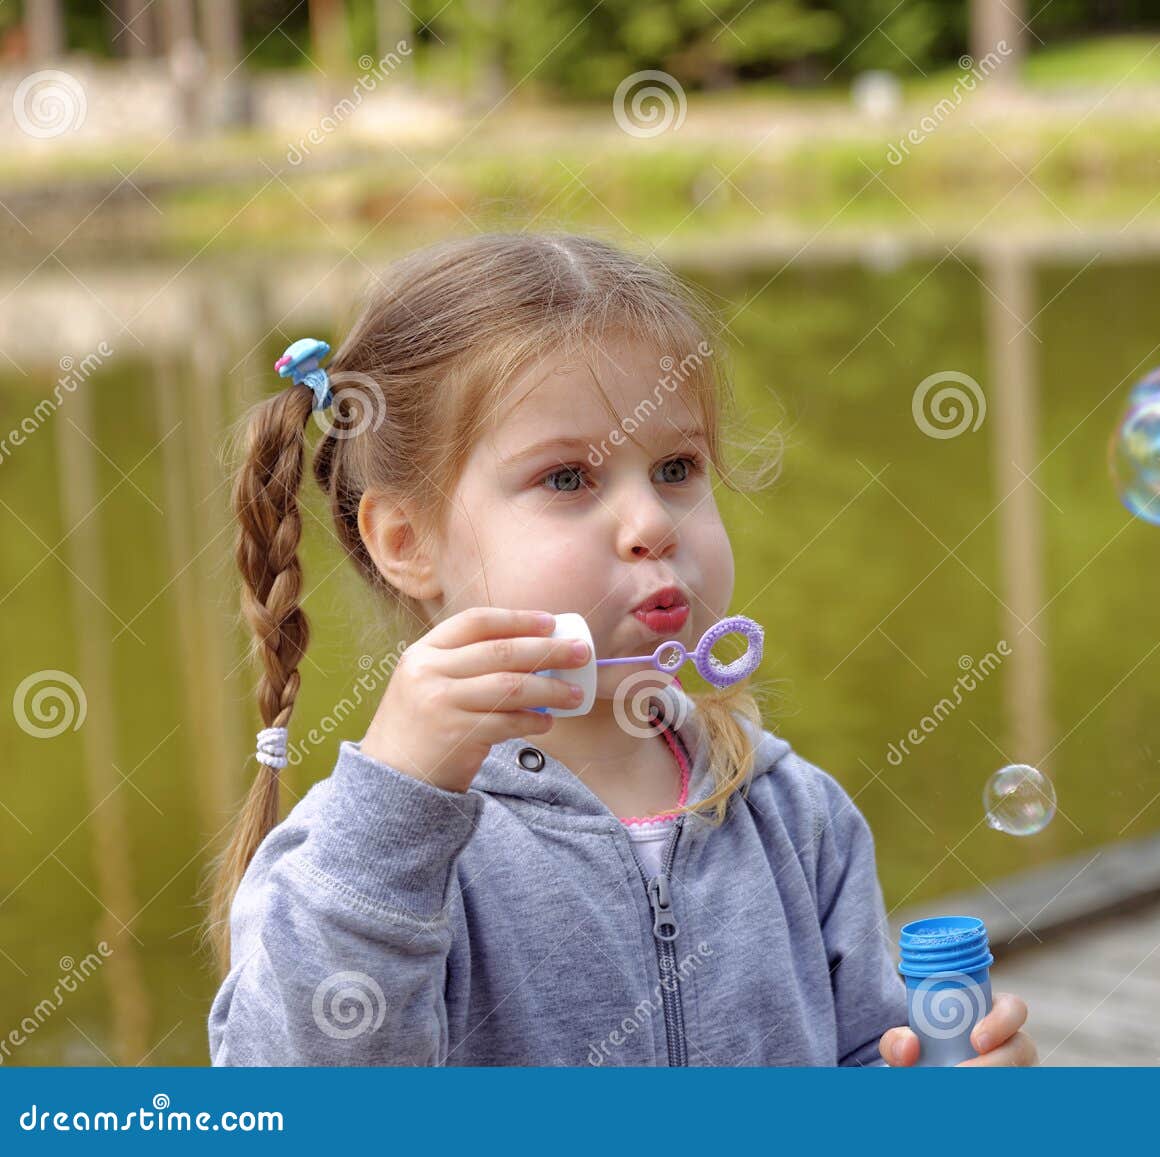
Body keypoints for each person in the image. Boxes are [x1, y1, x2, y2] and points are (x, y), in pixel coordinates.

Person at [205, 231, 1035, 1067]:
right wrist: (395, 810)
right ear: (407, 540)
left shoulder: (795, 815)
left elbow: (862, 1059)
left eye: (677, 467)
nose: (651, 524)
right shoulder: (365, 859)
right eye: (568, 478)